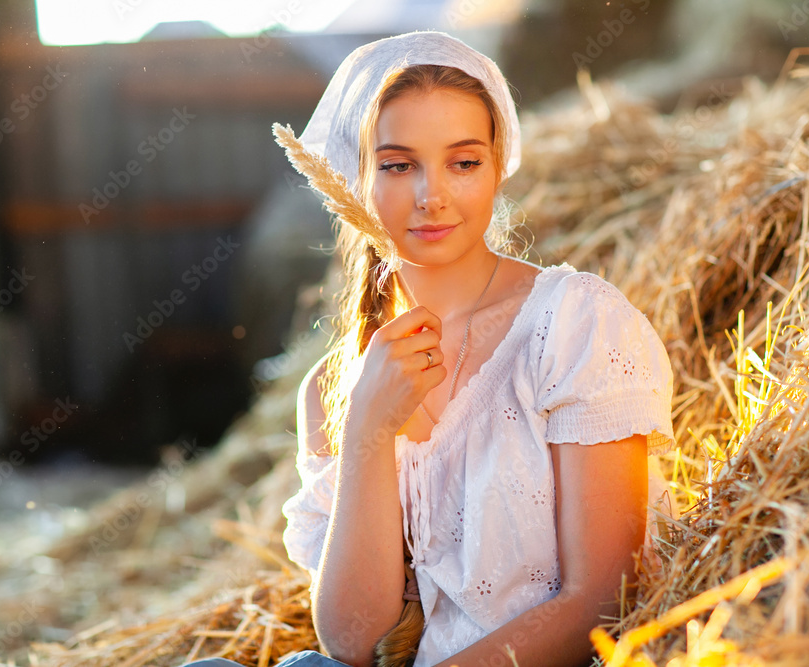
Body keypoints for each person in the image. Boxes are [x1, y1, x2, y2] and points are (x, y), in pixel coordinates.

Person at [184, 30, 674, 667]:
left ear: (497, 166)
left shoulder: (574, 322)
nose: (431, 195)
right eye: (397, 164)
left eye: (463, 162)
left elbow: (603, 600)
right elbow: (351, 637)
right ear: (355, 179)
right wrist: (367, 429)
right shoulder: (335, 388)